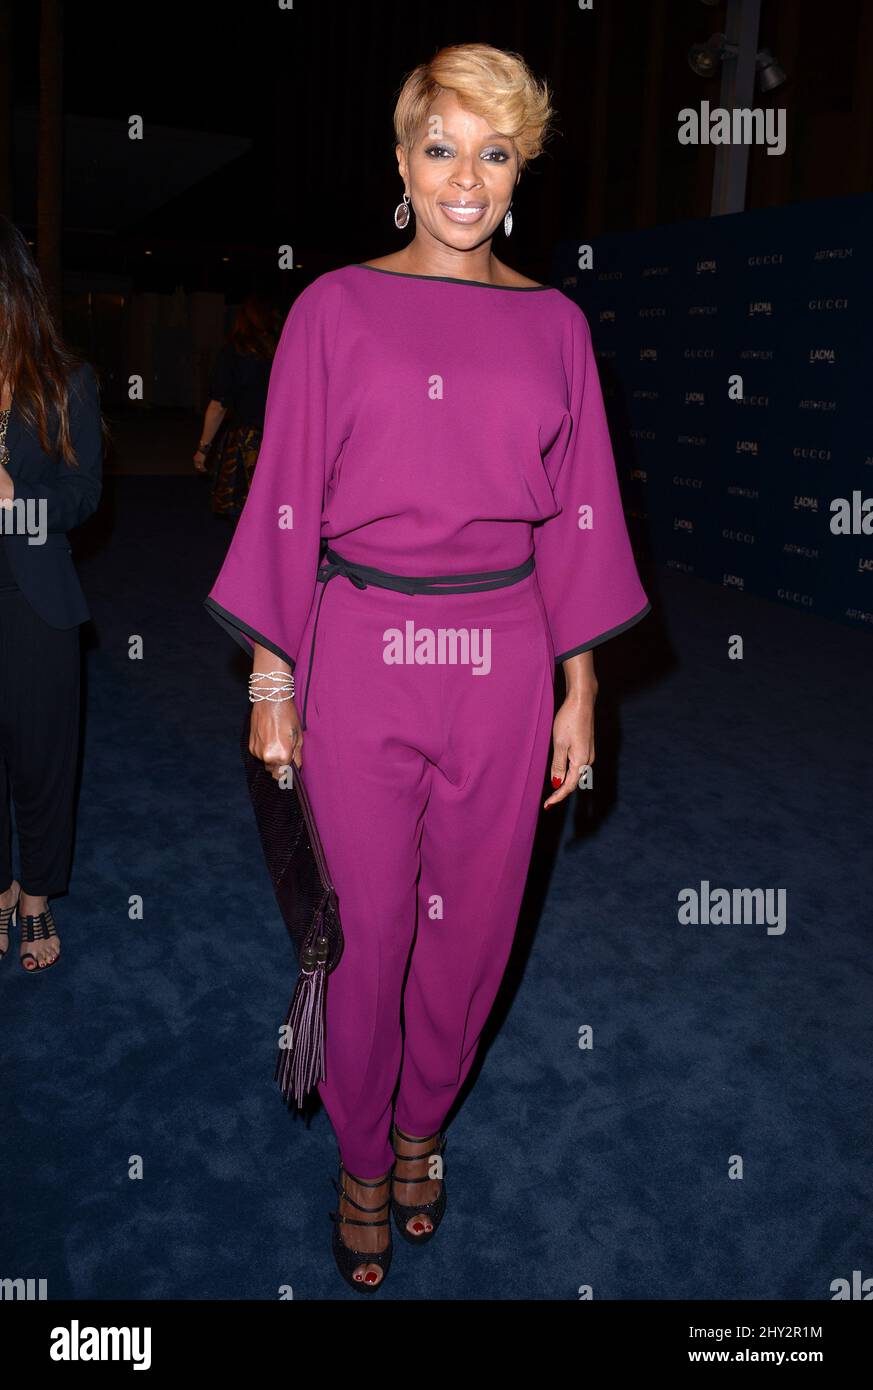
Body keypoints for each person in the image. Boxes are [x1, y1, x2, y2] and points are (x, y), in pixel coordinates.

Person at [205, 42, 651, 1292]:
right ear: (401, 164)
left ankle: (421, 1129)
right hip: (364, 648)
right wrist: (270, 680)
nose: (468, 178)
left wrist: (582, 687)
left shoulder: (557, 326)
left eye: (495, 153)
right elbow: (287, 502)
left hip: (506, 656)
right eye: (442, 148)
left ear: (522, 172)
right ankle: (359, 1149)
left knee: (475, 925)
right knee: (370, 928)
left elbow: (582, 524)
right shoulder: (334, 310)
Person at [0, 215, 104, 972]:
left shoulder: (66, 380)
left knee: (40, 757)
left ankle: (35, 897)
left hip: (35, 598)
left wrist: (13, 503)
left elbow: (81, 496)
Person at [193, 294, 280, 518]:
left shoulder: (234, 352)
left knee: (245, 508)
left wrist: (203, 449)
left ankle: (250, 551)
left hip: (248, 441)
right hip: (282, 439)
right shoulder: (285, 350)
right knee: (277, 504)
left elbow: (218, 406)